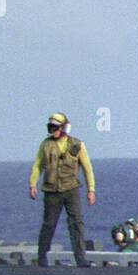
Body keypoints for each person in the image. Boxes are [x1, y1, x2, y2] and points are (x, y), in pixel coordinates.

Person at [29, 112, 95, 267]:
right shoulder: (45, 145)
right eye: (51, 127)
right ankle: (42, 256)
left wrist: (91, 190)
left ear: (64, 127)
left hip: (71, 189)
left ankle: (80, 258)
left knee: (76, 223)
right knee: (49, 224)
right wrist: (32, 184)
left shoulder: (77, 145)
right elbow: (37, 165)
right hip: (51, 191)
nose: (53, 130)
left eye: (56, 127)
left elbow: (87, 168)